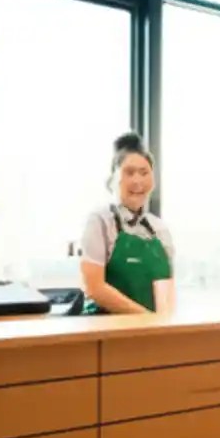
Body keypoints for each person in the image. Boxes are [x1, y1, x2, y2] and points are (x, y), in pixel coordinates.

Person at [80, 132, 174, 313]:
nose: (137, 181)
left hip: (151, 333)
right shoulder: (100, 221)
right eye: (129, 172)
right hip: (106, 333)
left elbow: (166, 297)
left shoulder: (160, 229)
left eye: (144, 173)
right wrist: (146, 319)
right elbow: (93, 287)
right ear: (112, 180)